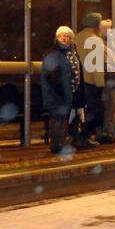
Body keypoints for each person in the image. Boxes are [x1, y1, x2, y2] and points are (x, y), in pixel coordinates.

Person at [41, 26, 77, 154]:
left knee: (62, 120)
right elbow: (52, 74)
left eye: (67, 36)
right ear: (56, 38)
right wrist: (60, 89)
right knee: (58, 120)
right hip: (56, 93)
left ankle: (60, 144)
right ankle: (57, 146)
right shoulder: (53, 53)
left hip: (64, 93)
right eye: (61, 36)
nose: (64, 38)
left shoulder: (67, 53)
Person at [77, 12, 108, 144]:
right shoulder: (94, 39)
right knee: (96, 111)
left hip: (81, 78)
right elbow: (96, 63)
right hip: (92, 80)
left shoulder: (78, 36)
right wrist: (100, 83)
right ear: (96, 25)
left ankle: (81, 136)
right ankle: (84, 136)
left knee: (87, 109)